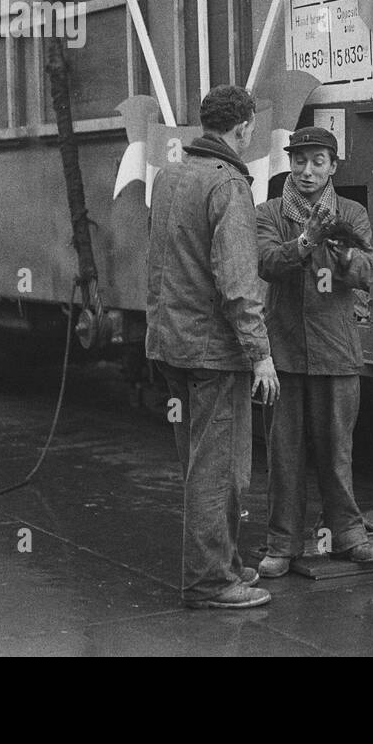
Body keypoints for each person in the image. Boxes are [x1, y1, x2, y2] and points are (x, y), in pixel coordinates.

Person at [146, 85, 278, 610]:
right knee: (220, 469)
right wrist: (260, 353)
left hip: (171, 345)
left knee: (199, 463)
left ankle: (219, 562)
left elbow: (160, 262)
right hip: (214, 352)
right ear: (243, 128)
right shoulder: (229, 186)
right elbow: (239, 283)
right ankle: (210, 582)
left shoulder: (170, 176)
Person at [254, 126, 373, 577]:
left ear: (332, 166)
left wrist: (346, 255)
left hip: (336, 351)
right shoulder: (268, 213)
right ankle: (282, 545)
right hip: (285, 352)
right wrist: (306, 240)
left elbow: (369, 271)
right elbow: (267, 264)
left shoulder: (352, 213)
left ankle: (348, 536)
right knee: (283, 453)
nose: (307, 172)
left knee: (336, 450)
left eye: (318, 162)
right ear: (290, 164)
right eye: (300, 161)